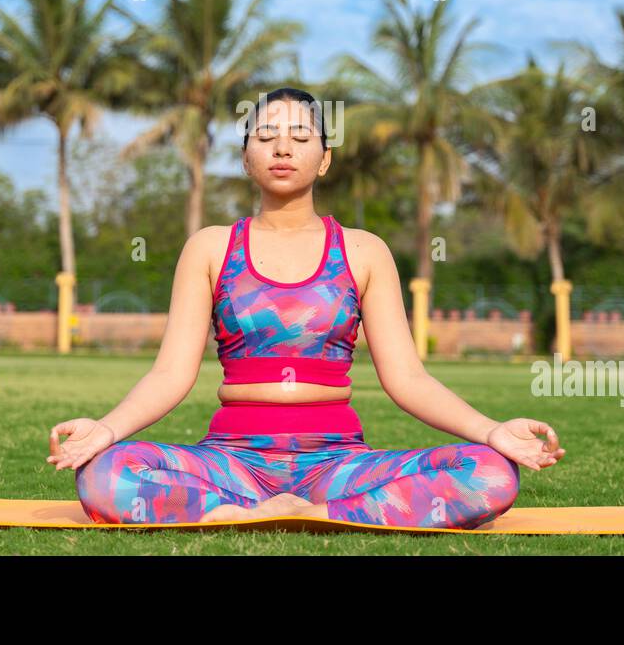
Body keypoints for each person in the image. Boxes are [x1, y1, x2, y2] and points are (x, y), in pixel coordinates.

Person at [48, 87, 564, 529]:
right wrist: (107, 429)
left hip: (337, 462)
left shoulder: (363, 251)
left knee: (490, 471)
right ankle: (304, 510)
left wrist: (492, 431)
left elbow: (408, 379)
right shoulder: (210, 247)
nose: (282, 148)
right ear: (246, 156)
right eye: (266, 135)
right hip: (231, 460)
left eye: (300, 136)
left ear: (325, 158)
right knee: (102, 473)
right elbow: (170, 374)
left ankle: (293, 511)